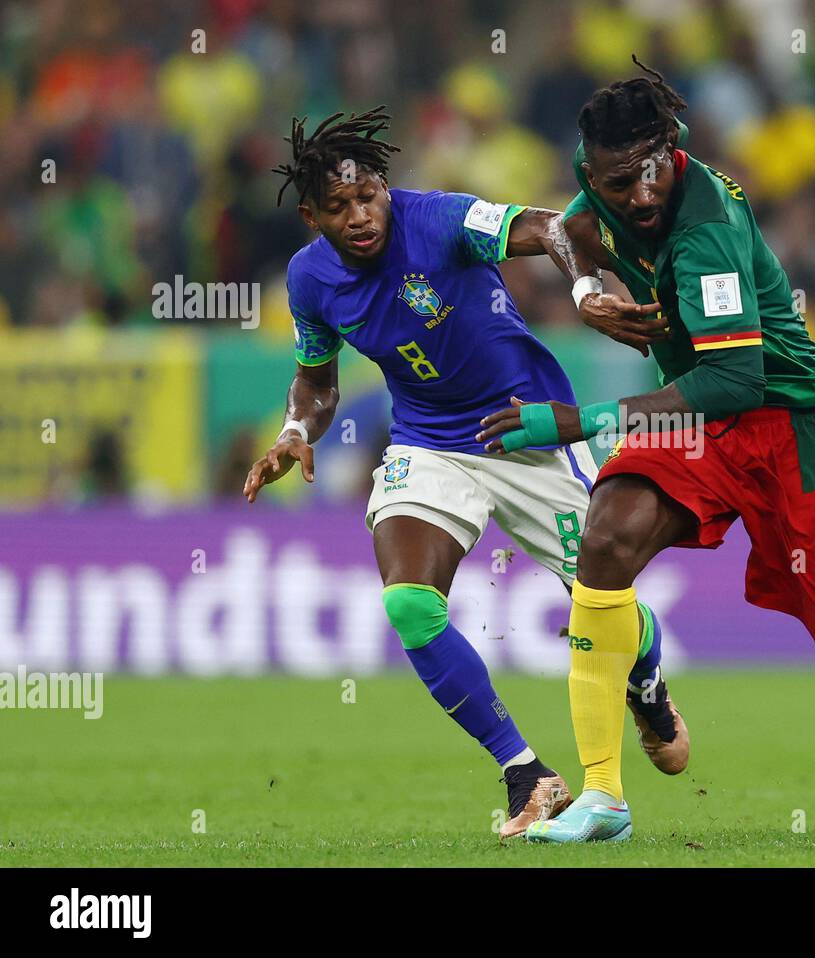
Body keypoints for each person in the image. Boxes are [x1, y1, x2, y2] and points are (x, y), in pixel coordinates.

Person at [478, 62, 815, 842]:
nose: (639, 196)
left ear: (671, 148)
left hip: (785, 427)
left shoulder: (705, 232)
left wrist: (581, 420)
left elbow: (734, 377)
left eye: (649, 173)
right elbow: (568, 231)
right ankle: (603, 798)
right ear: (590, 171)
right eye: (617, 182)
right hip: (689, 424)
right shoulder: (602, 199)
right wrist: (589, 290)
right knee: (605, 539)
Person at [243, 107, 687, 839]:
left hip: (531, 430)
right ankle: (525, 773)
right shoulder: (308, 279)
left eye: (370, 196)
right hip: (430, 442)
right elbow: (317, 381)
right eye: (339, 207)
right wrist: (295, 429)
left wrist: (581, 293)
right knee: (410, 606)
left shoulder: (441, 220)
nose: (360, 216)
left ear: (387, 188)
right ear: (310, 216)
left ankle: (645, 678)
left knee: (604, 602)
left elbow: (549, 226)